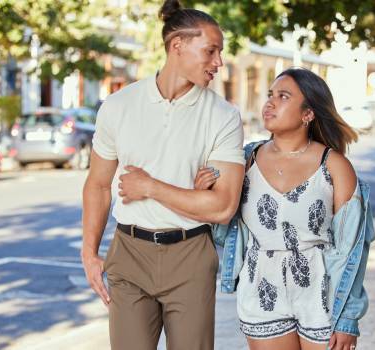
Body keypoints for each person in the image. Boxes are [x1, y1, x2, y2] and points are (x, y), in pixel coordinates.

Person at [79, 0, 245, 349]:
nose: (219, 63)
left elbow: (222, 206)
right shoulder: (118, 106)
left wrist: (150, 187)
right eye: (211, 51)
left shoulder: (223, 116)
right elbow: (97, 184)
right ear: (177, 45)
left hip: (190, 257)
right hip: (129, 254)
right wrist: (89, 252)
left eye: (221, 53)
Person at [207, 67, 375, 350]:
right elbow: (222, 230)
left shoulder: (334, 166)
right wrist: (208, 190)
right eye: (270, 94)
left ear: (307, 113)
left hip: (321, 292)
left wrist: (347, 317)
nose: (269, 102)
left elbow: (352, 249)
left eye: (283, 96)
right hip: (261, 289)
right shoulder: (245, 160)